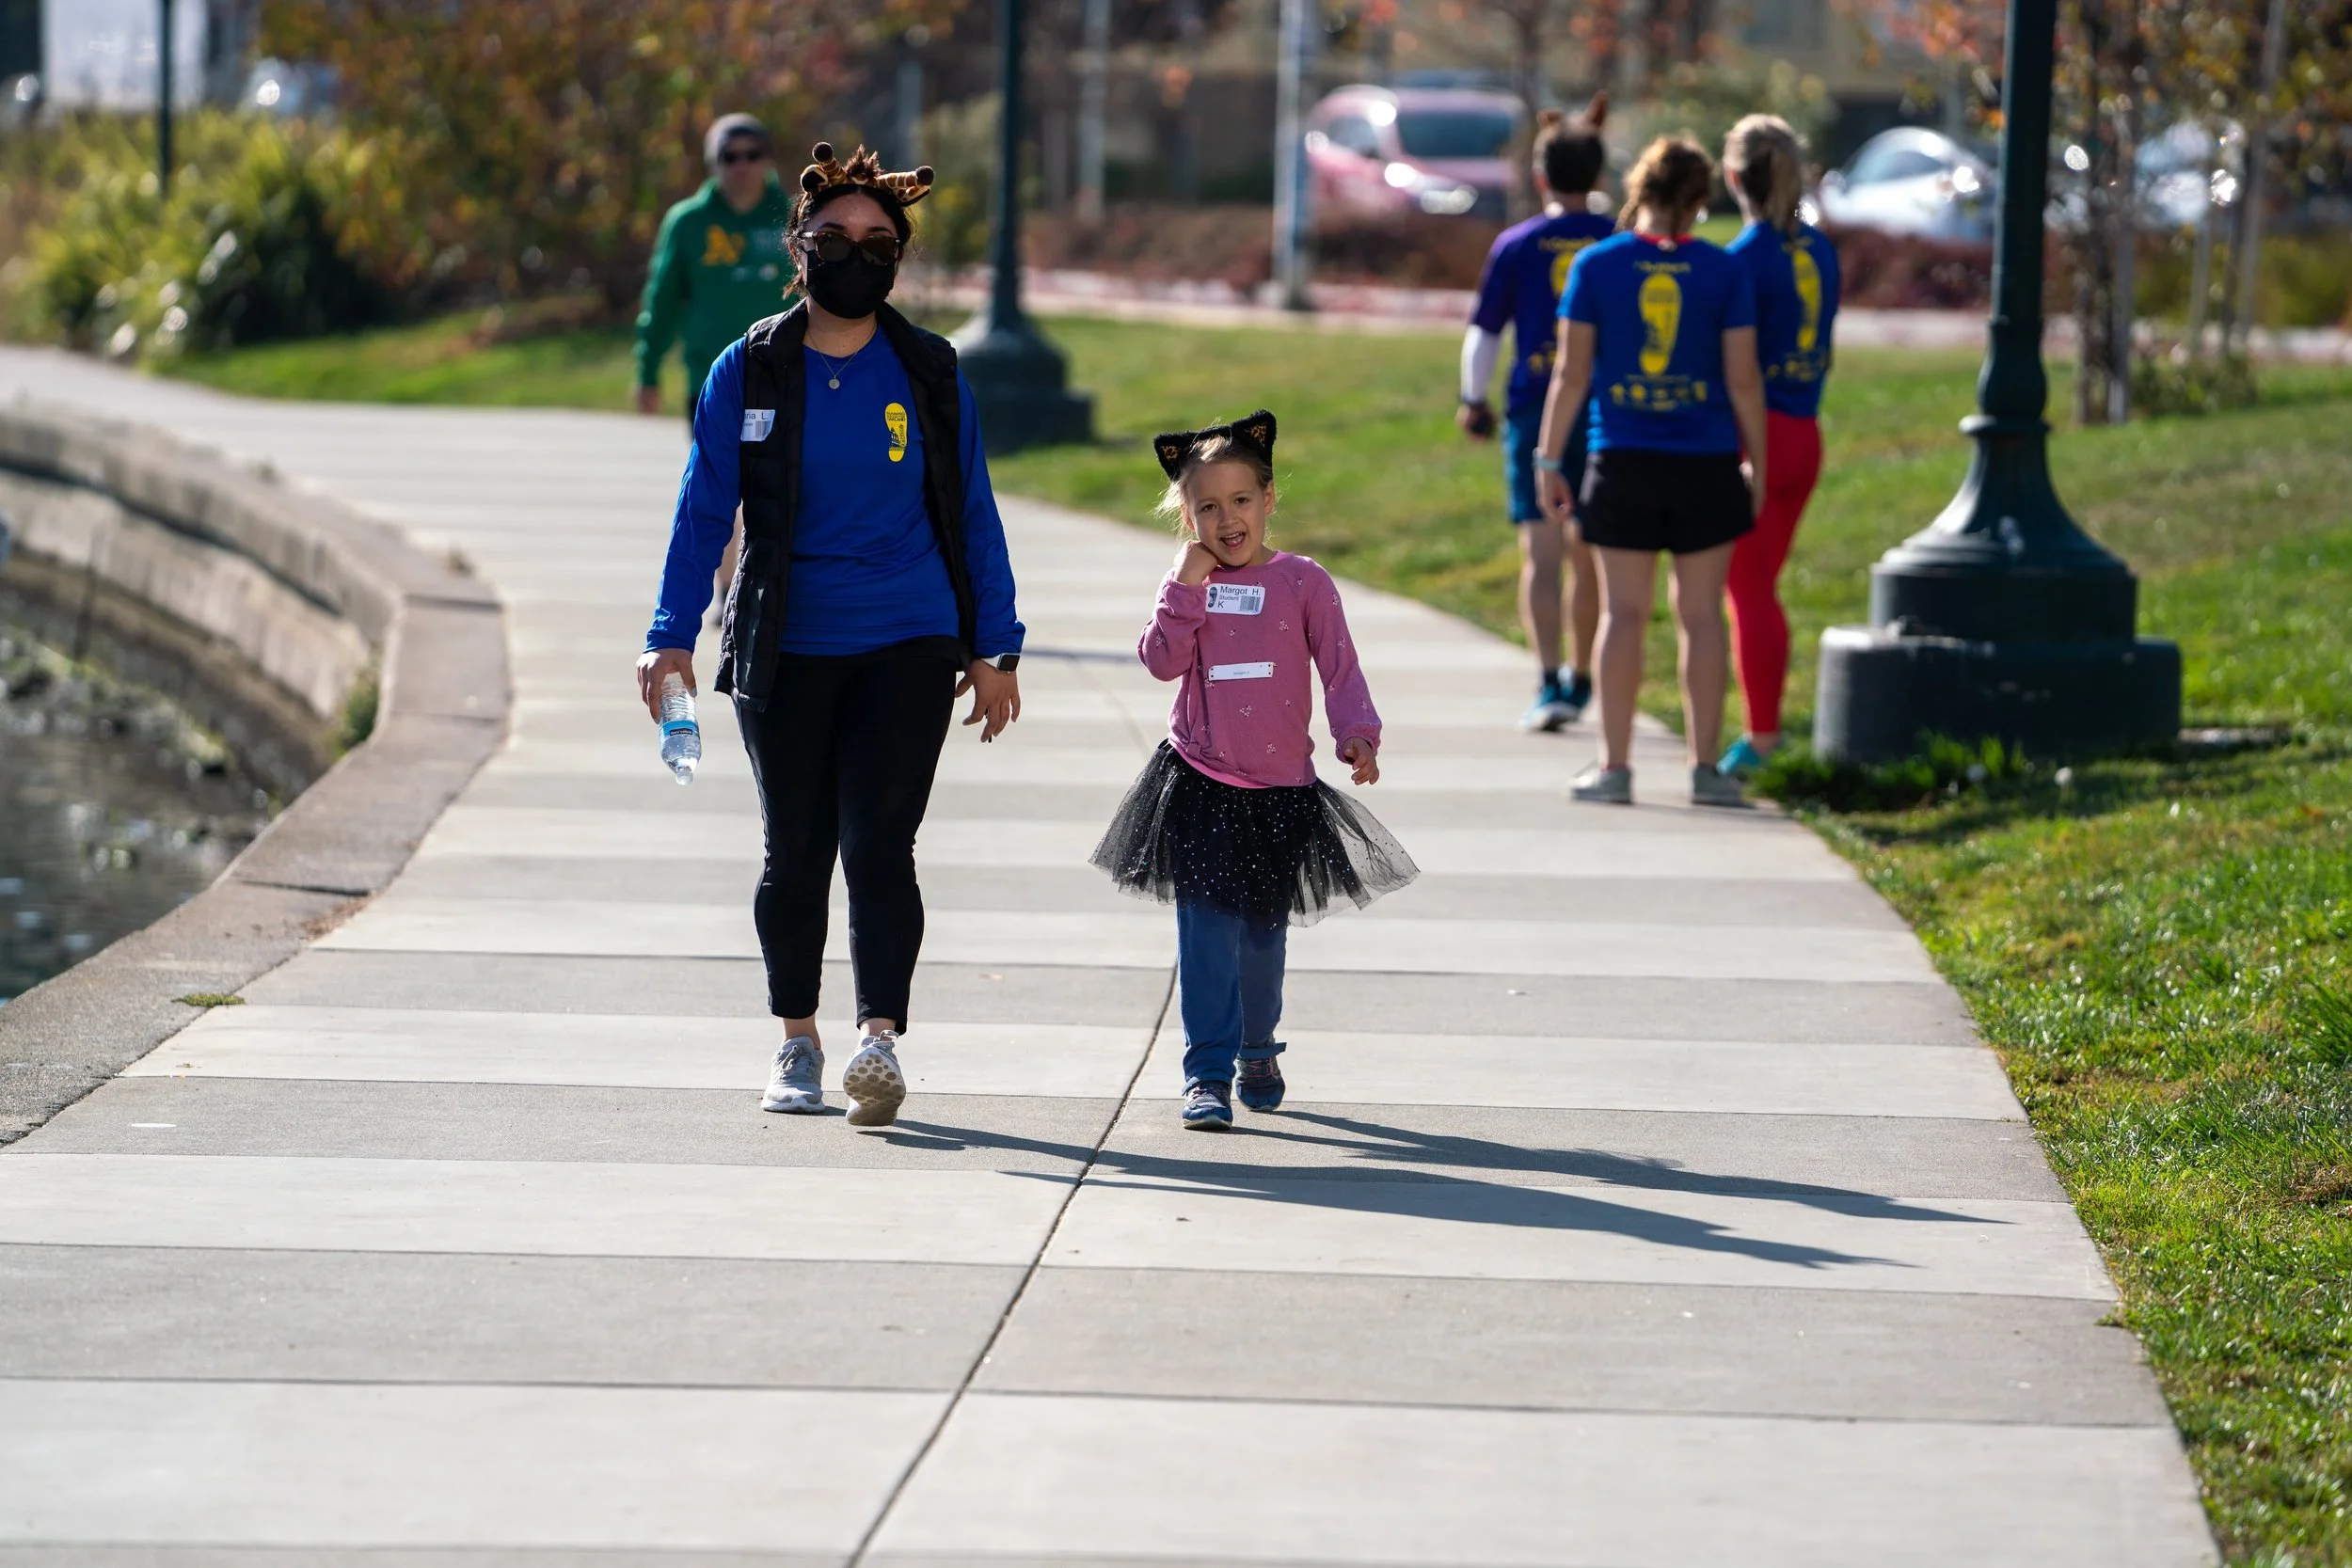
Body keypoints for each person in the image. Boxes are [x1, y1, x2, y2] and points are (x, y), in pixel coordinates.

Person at [636, 144, 1025, 1129]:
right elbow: (703, 509)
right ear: (798, 248)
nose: (855, 254)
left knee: (881, 843)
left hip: (909, 635)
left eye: (877, 242)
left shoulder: (929, 370)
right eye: (834, 237)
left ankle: (878, 1041)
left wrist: (996, 645)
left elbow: (973, 510)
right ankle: (798, 1042)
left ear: (899, 258)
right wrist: (670, 632)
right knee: (796, 848)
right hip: (785, 639)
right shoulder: (751, 366)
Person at [1089, 412, 1418, 1131]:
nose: (1227, 518)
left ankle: (1258, 1046)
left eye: (1241, 500)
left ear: (1269, 498)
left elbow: (1340, 668)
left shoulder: (1304, 580)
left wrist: (1357, 733)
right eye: (1207, 506)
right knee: (1206, 939)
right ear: (1187, 517)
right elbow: (1160, 662)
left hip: (1281, 792)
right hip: (1201, 782)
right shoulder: (1188, 583)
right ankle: (1205, 1074)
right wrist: (1184, 585)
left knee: (1262, 943)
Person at [1534, 135, 1768, 808]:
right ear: (1700, 199)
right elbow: (1744, 380)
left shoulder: (1597, 265)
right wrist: (1756, 463)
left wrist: (1548, 458)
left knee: (1623, 614)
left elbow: (1570, 374)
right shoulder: (1724, 271)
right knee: (1702, 616)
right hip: (1707, 463)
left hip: (1622, 462)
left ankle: (1614, 768)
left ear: (1639, 188)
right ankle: (1705, 769)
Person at [1459, 94, 1616, 733]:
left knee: (1541, 555)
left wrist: (1473, 399)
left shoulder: (1517, 244)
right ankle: (1583, 676)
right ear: (1599, 173)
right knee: (1590, 555)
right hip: (1605, 415)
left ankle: (1548, 680)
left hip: (1533, 411)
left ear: (1539, 176)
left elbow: (1484, 333)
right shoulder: (1617, 240)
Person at [1718, 115, 1841, 778]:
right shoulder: (1820, 249)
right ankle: (1764, 729)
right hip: (1805, 432)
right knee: (1758, 586)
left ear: (1733, 177)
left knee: (1749, 590)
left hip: (1757, 440)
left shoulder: (1741, 259)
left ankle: (1763, 738)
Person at [634, 114, 800, 419]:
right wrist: (648, 371)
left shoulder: (796, 218)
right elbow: (662, 300)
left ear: (768, 160)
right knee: (716, 453)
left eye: (753, 155)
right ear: (712, 163)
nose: (742, 165)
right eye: (730, 156)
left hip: (786, 380)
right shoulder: (688, 222)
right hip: (710, 382)